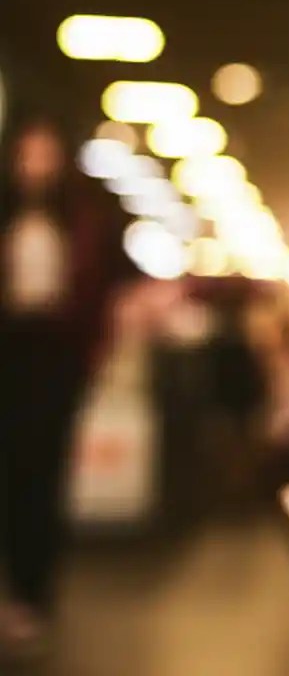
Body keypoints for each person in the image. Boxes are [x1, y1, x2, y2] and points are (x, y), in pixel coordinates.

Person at [0, 115, 132, 653]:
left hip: (53, 362)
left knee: (41, 476)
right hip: (7, 351)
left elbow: (106, 292)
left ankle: (32, 594)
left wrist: (92, 352)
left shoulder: (83, 221)